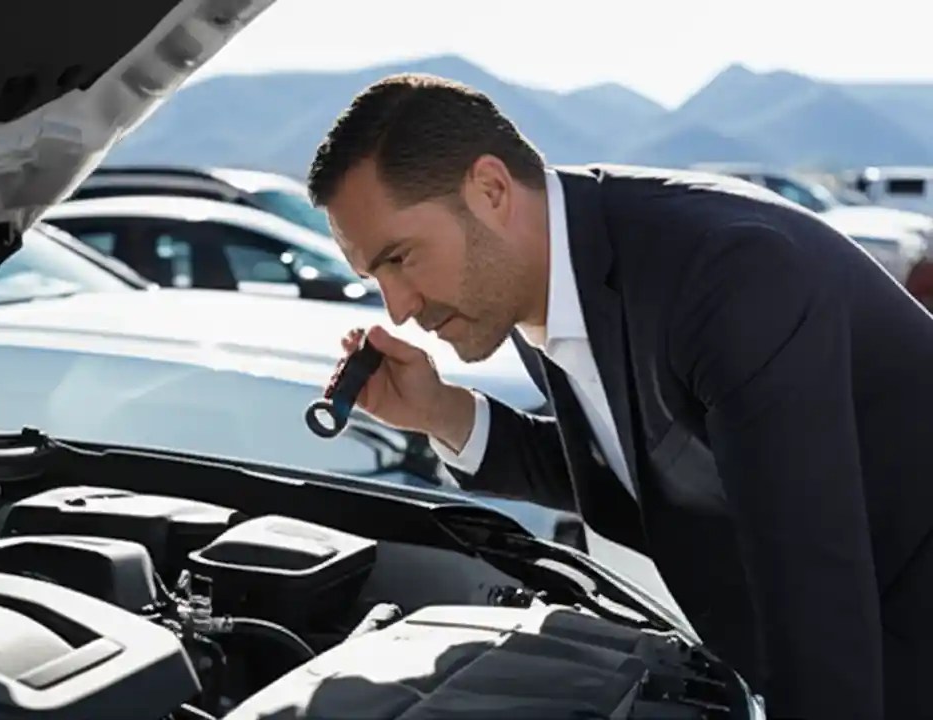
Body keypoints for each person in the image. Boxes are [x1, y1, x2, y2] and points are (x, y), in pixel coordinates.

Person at [307, 72, 933, 719]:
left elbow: (817, 593)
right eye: (374, 277)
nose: (399, 308)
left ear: (491, 190)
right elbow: (633, 460)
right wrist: (439, 412)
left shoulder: (728, 276)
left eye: (401, 259)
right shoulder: (541, 272)